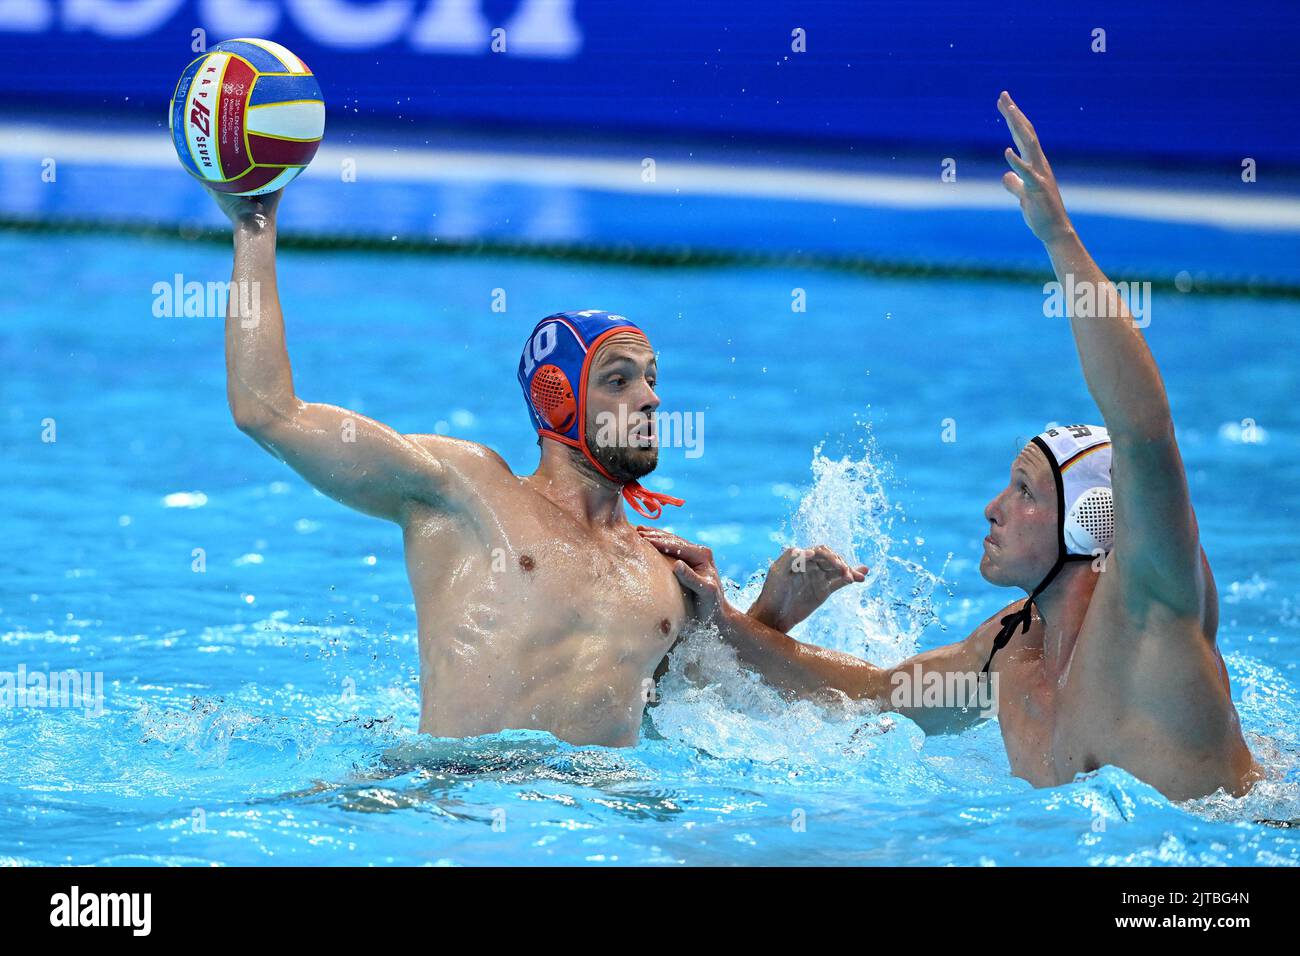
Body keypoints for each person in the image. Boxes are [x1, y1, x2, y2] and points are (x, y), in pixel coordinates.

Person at [639, 92, 1260, 801]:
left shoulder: (1150, 610)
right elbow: (870, 696)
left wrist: (1060, 239)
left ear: (1090, 520)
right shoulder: (1011, 649)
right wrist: (721, 618)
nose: (994, 507)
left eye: (1025, 490)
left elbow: (1144, 430)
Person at [209, 184, 718, 747]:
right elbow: (266, 411)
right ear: (559, 399)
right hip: (448, 785)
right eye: (619, 380)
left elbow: (727, 708)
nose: (651, 399)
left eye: (651, 379)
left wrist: (765, 613)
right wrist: (254, 227)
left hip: (602, 797)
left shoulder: (666, 572)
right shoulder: (464, 490)